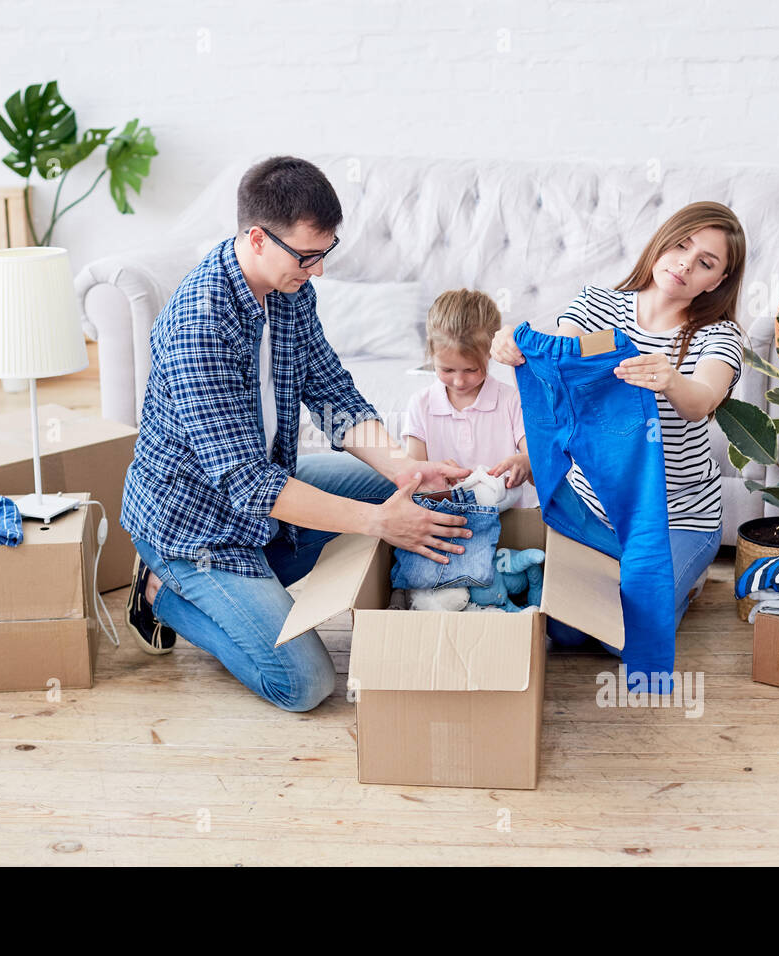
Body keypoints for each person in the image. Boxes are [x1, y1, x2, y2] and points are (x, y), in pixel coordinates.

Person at [121, 156, 471, 712]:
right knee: (305, 685)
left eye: (324, 253)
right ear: (257, 239)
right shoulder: (199, 324)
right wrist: (381, 524)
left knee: (398, 490)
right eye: (307, 256)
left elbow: (330, 392)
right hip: (200, 529)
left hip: (263, 497)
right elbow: (248, 485)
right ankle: (166, 594)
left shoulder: (291, 291)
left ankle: (253, 583)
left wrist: (405, 469)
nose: (319, 270)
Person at [491, 200, 747, 638]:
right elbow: (561, 357)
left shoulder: (718, 336)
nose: (685, 264)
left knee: (629, 628)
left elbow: (701, 400)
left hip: (679, 518)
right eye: (681, 245)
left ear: (717, 281)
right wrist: (513, 344)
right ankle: (634, 579)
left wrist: (670, 380)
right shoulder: (599, 307)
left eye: (705, 262)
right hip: (594, 509)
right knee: (566, 629)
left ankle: (682, 585)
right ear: (661, 242)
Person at [400, 289, 538, 508]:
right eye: (447, 369)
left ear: (490, 354)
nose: (459, 381)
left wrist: (525, 462)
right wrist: (431, 474)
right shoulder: (421, 404)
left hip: (507, 514)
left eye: (471, 370)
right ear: (431, 354)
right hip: (447, 514)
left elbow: (535, 456)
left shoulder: (510, 400)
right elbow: (413, 474)